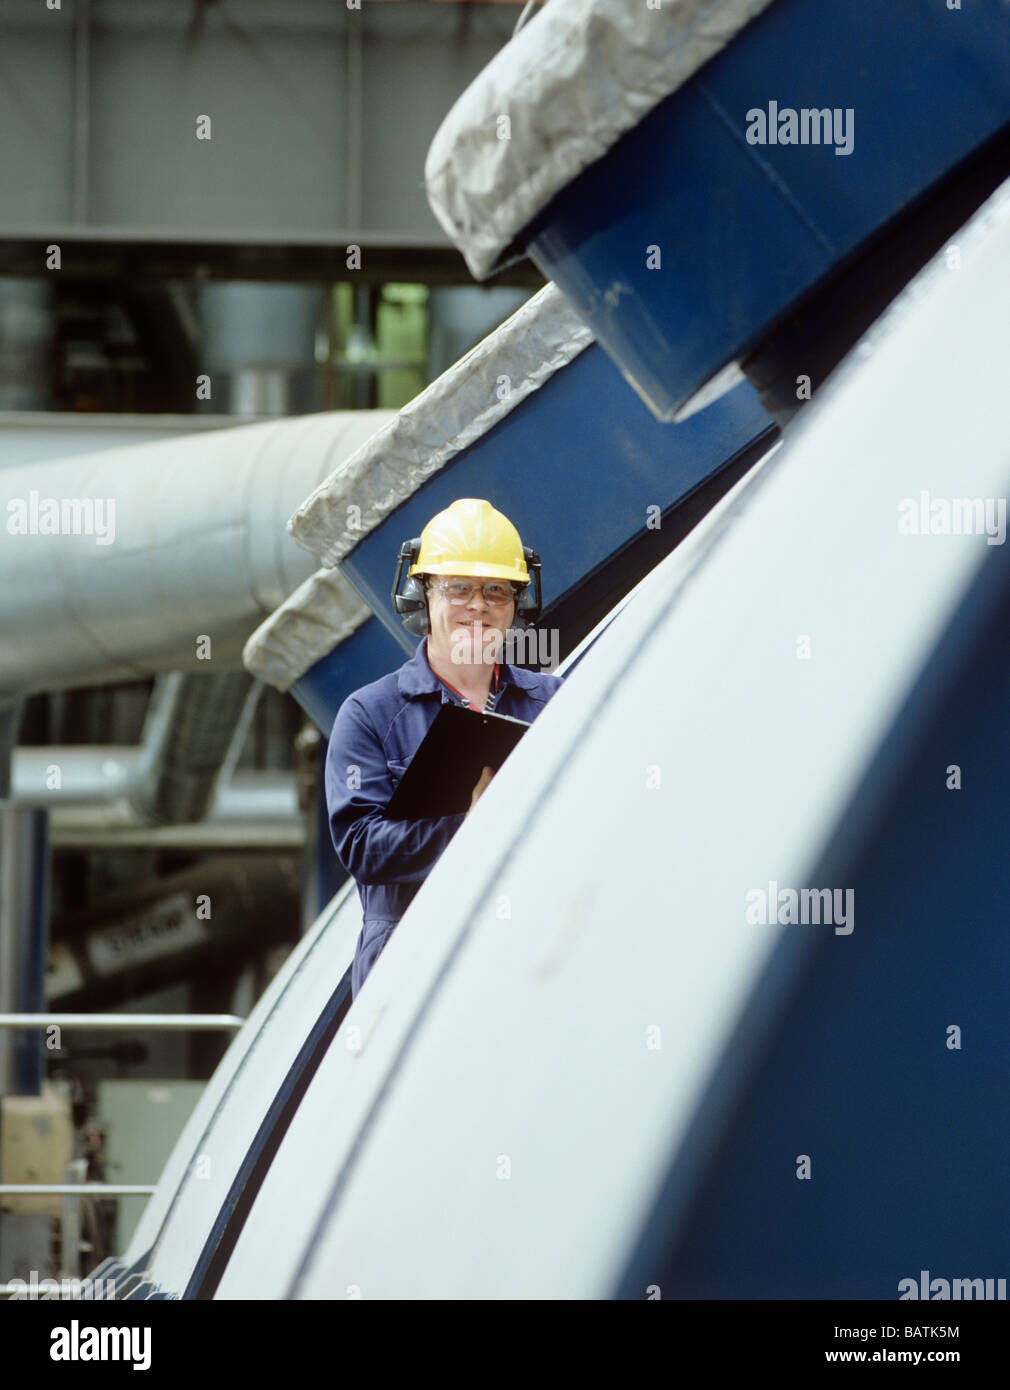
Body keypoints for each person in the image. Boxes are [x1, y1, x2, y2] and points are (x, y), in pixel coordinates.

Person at [325, 498, 564, 998]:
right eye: (458, 588)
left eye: (496, 591)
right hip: (409, 963)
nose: (478, 605)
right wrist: (468, 826)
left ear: (517, 605)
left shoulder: (556, 702)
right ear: (422, 595)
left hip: (530, 954)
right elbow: (362, 848)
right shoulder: (370, 714)